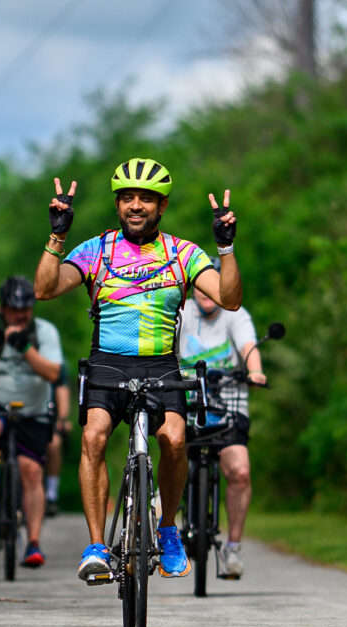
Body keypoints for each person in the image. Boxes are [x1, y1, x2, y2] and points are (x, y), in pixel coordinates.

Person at [34, 157, 242, 581]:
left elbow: (229, 299)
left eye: (145, 198)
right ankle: (96, 546)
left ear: (161, 206)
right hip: (107, 363)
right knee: (92, 436)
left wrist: (225, 248)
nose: (135, 205)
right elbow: (45, 289)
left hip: (161, 365)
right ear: (117, 204)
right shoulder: (97, 249)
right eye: (127, 197)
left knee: (175, 438)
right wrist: (57, 236)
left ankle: (167, 530)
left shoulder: (182, 253)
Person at [0, 276, 64, 567]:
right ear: (3, 309)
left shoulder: (44, 331)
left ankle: (33, 542)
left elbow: (53, 374)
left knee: (32, 471)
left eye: (26, 308)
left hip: (33, 411)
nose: (21, 314)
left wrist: (25, 348)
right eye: (14, 309)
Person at [179, 276, 265, 577]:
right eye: (201, 287)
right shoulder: (181, 312)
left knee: (240, 471)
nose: (207, 294)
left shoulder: (235, 313)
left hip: (228, 400)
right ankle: (162, 521)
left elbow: (248, 346)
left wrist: (254, 371)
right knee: (170, 448)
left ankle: (232, 549)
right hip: (186, 400)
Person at [44, 364, 71, 517]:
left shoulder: (54, 361)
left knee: (54, 444)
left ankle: (51, 494)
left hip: (48, 416)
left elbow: (62, 389)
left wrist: (62, 418)